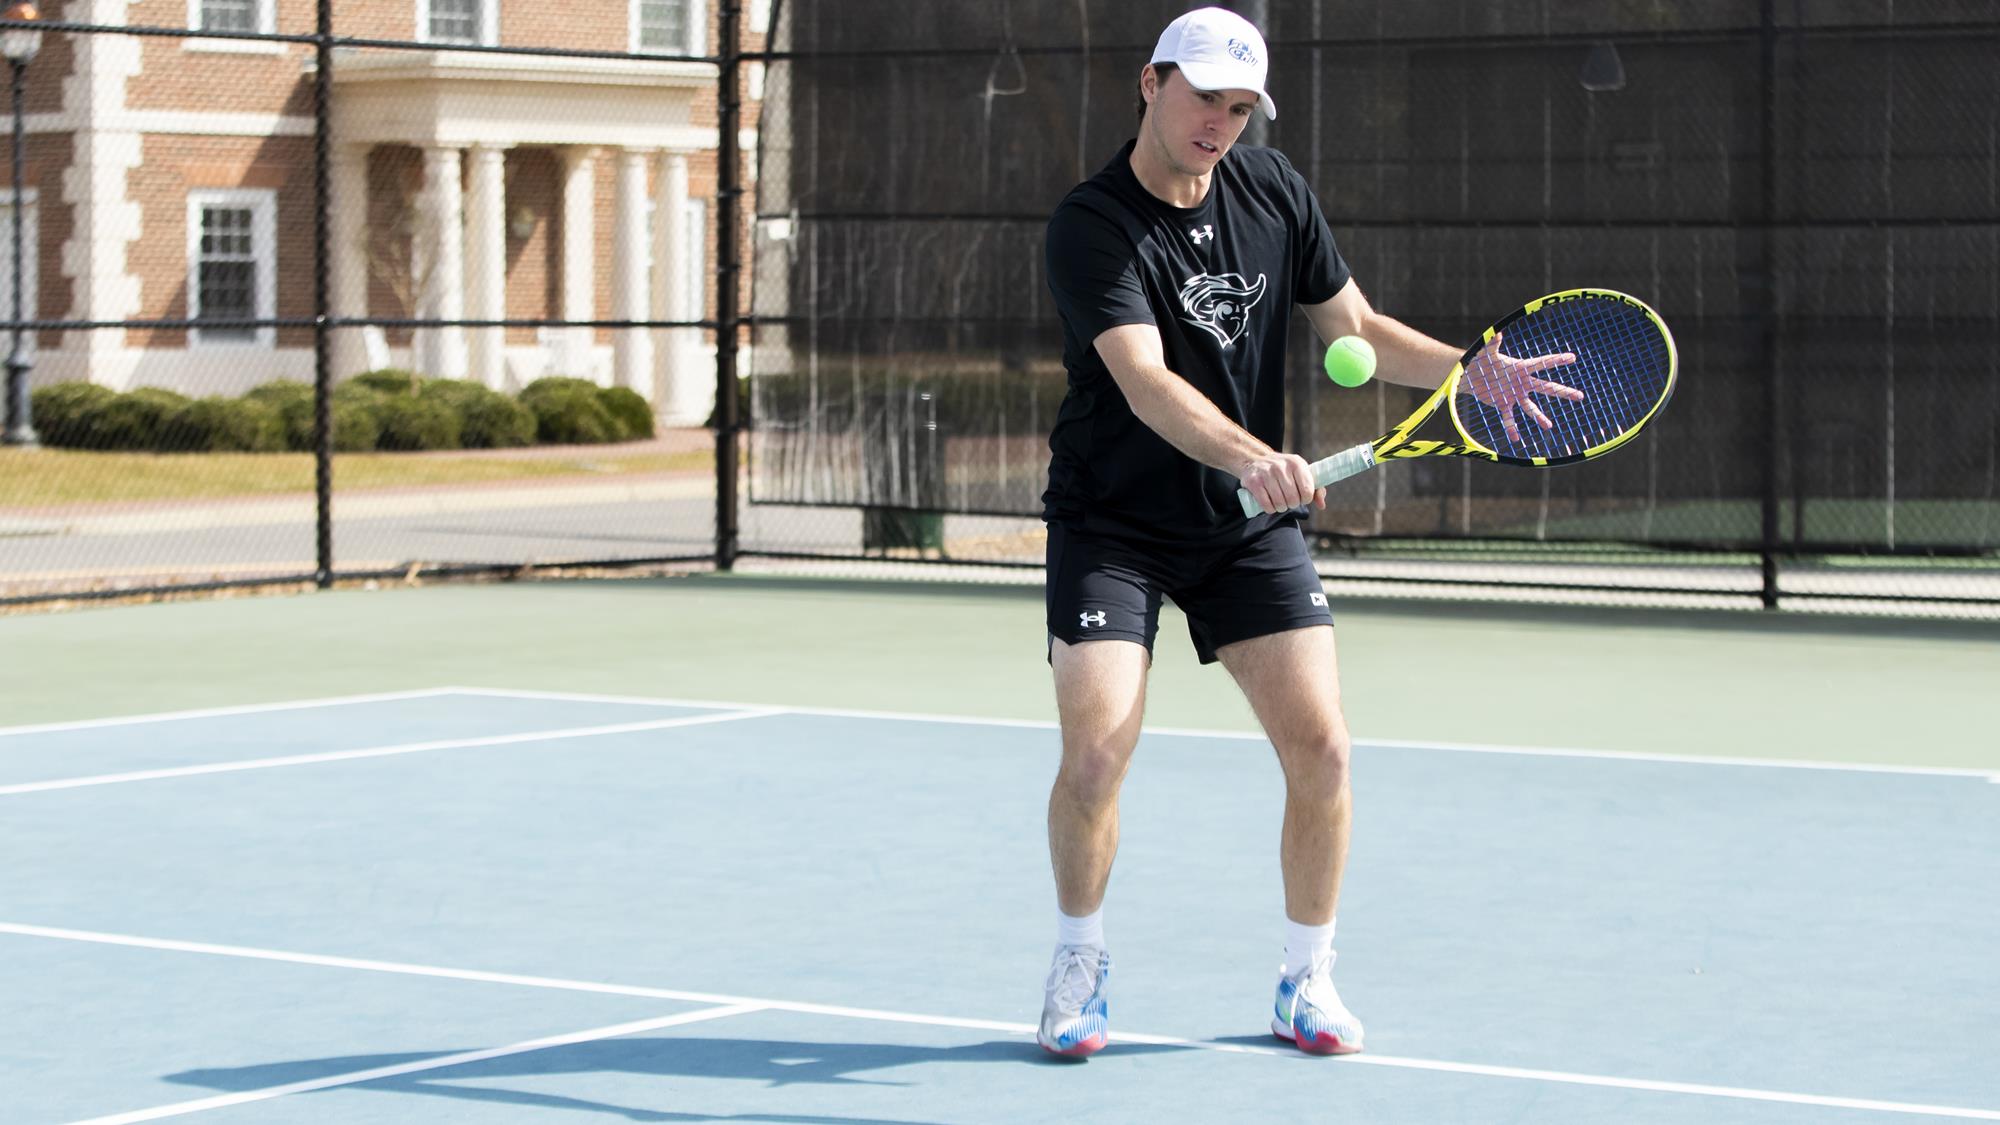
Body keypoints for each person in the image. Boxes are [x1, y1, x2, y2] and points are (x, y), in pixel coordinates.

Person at [1035, 7, 1582, 1058]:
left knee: (1323, 750)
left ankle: (1305, 981)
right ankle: (1077, 961)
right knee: (1097, 755)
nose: (1220, 123)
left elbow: (1356, 332)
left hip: (1243, 529)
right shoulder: (1091, 223)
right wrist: (1252, 457)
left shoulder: (1272, 189)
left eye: (1239, 107)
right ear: (1150, 85)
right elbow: (1145, 383)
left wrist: (1470, 368)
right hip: (1113, 522)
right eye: (1203, 98)